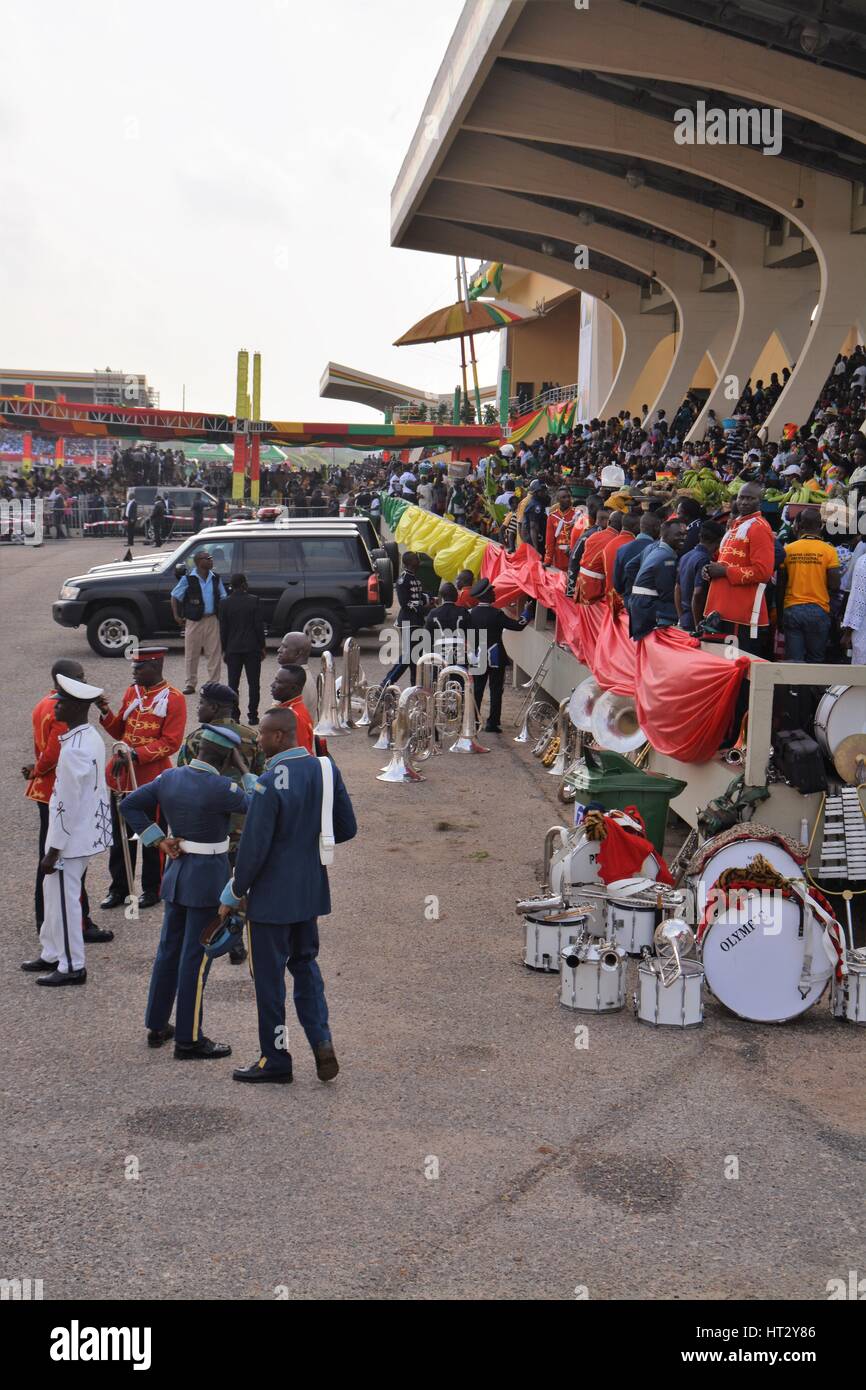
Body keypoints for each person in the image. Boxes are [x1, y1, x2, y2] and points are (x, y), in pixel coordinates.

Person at [219, 706, 357, 1085]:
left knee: (270, 982)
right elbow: (346, 827)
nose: (259, 740)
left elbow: (254, 846)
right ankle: (321, 1041)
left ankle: (276, 1057)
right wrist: (307, 842)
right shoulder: (325, 769)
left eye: (263, 734)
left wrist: (236, 889)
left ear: (279, 736)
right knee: (306, 967)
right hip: (309, 892)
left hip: (270, 900)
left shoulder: (266, 780)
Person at [120, 725, 255, 1058]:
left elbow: (129, 806)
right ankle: (189, 1038)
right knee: (196, 958)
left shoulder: (170, 778)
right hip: (207, 878)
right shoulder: (223, 787)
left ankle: (157, 1024)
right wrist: (246, 771)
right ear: (226, 758)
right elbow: (259, 803)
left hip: (177, 875)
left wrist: (157, 839)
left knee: (168, 950)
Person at [21, 673, 113, 985]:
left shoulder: (74, 748)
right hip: (82, 832)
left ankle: (73, 965)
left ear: (76, 706)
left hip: (70, 839)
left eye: (61, 701)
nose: (56, 705)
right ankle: (51, 951)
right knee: (53, 894)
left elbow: (65, 806)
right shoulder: (86, 737)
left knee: (64, 899)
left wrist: (54, 850)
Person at [177, 681, 265, 964]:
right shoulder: (252, 738)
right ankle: (239, 938)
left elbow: (183, 781)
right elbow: (262, 779)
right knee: (242, 881)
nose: (198, 708)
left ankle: (217, 935)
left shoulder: (196, 739)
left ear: (214, 708)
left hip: (209, 830)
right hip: (245, 824)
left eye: (201, 704)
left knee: (216, 885)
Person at [97, 647, 186, 910]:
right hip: (122, 777)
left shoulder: (174, 698)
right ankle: (119, 888)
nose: (133, 672)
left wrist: (136, 755)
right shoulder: (132, 692)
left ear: (155, 666)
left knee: (151, 835)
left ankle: (153, 888)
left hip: (151, 778)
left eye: (139, 668)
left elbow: (171, 742)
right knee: (120, 836)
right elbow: (119, 732)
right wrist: (105, 712)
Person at [702, 481, 776, 655]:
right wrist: (709, 570)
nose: (743, 502)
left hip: (741, 615)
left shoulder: (759, 528)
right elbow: (725, 561)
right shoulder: (736, 526)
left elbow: (763, 572)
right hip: (722, 611)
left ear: (760, 501)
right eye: (741, 497)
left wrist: (725, 572)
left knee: (737, 668)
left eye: (750, 498)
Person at [463, 577, 527, 733]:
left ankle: (474, 720)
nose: (494, 593)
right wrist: (527, 612)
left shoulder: (470, 614)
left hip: (478, 656)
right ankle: (492, 723)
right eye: (491, 591)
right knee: (496, 689)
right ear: (486, 595)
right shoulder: (497, 614)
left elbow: (466, 634)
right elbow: (518, 626)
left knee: (477, 689)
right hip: (496, 656)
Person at [778, 508, 840, 662]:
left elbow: (780, 586)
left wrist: (779, 616)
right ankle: (811, 687)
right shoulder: (829, 551)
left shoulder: (788, 550)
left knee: (794, 660)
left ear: (799, 525)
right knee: (816, 660)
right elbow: (835, 585)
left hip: (792, 610)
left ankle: (795, 687)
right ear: (821, 525)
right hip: (819, 610)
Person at [171, 549, 226, 693]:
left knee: (214, 653)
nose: (211, 560)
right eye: (208, 558)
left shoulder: (216, 578)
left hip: (212, 619)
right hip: (194, 621)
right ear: (199, 562)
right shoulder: (188, 579)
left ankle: (214, 682)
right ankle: (190, 683)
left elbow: (223, 596)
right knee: (191, 653)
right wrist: (176, 616)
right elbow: (175, 596)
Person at [219, 573, 266, 724]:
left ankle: (234, 715)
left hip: (233, 648)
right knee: (254, 683)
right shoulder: (254, 601)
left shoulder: (225, 603)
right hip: (252, 648)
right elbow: (258, 626)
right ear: (244, 584)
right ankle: (253, 715)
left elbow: (223, 629)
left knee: (233, 684)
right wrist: (262, 646)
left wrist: (224, 649)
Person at [628, 519, 685, 641]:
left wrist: (642, 586)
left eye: (685, 534)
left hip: (639, 603)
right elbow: (667, 593)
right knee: (684, 617)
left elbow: (630, 567)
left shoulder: (652, 548)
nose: (683, 538)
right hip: (648, 606)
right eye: (678, 535)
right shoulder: (667, 557)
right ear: (664, 535)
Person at [381, 551, 430, 688]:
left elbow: (419, 596)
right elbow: (405, 603)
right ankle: (387, 681)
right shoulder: (403, 579)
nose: (418, 561)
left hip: (417, 621)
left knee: (416, 656)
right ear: (409, 562)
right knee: (410, 655)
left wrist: (429, 599)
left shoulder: (415, 578)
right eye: (416, 559)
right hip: (408, 621)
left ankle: (415, 684)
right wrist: (423, 608)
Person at [676, 520, 723, 632]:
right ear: (719, 541)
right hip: (696, 620)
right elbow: (698, 593)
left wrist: (681, 617)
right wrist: (698, 625)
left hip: (685, 619)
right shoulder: (704, 559)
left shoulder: (686, 556)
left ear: (699, 536)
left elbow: (677, 588)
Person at [270, 665, 315, 752]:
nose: (272, 685)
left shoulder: (293, 718)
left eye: (278, 682)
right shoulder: (289, 710)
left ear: (293, 688)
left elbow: (300, 754)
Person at [276, 631, 317, 721]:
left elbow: (287, 722)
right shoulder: (297, 677)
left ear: (298, 653)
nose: (279, 650)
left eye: (285, 647)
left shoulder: (299, 682)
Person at [424, 582, 466, 665]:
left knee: (438, 677)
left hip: (439, 655)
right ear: (456, 597)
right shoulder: (463, 612)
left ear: (442, 597)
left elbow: (427, 637)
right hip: (459, 654)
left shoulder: (433, 613)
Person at [543, 487, 575, 572]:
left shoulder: (577, 514)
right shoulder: (552, 517)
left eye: (568, 496)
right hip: (558, 557)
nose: (567, 499)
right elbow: (549, 541)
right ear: (558, 500)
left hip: (573, 555)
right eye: (564, 497)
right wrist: (548, 559)